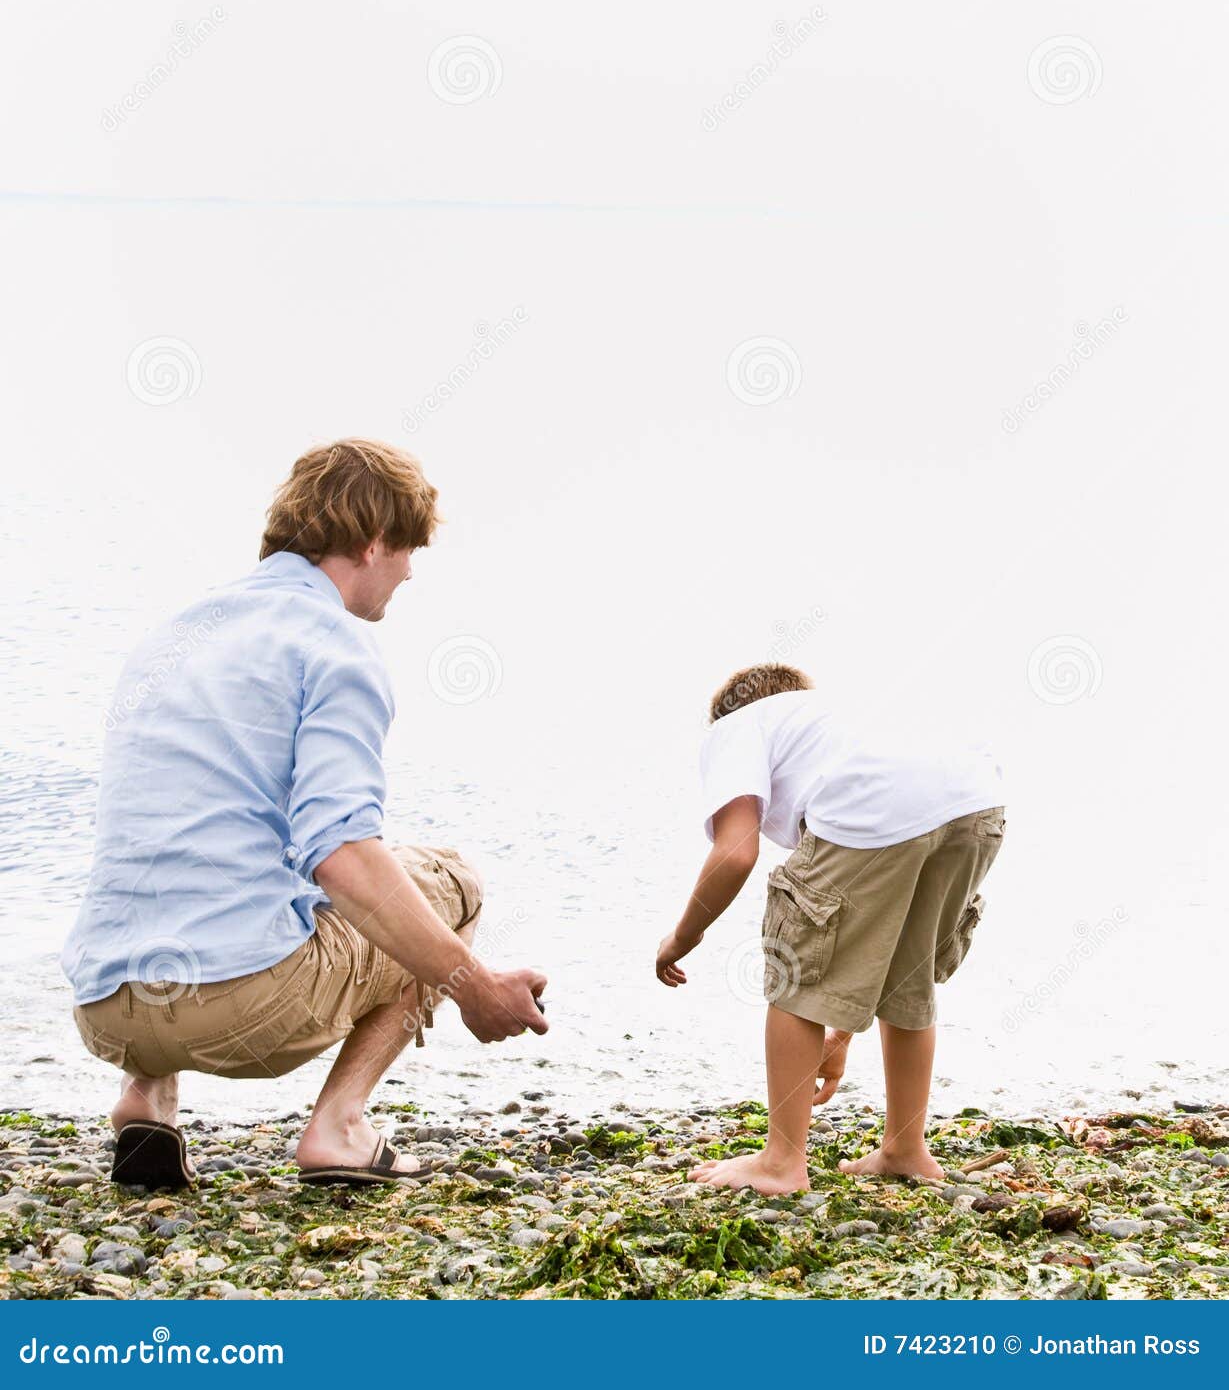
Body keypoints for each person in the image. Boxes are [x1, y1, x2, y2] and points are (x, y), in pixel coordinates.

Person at [62, 439, 547, 1190]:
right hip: (235, 1012)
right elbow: (341, 856)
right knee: (449, 880)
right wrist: (474, 986)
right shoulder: (331, 644)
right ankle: (339, 1127)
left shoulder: (174, 635)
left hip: (102, 1005)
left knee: (193, 863)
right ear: (373, 541)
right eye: (408, 550)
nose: (410, 571)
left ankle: (146, 1099)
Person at [655, 662, 1004, 1194]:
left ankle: (781, 1163)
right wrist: (838, 1030)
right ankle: (905, 1149)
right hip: (978, 800)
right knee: (910, 977)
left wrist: (682, 938)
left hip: (880, 803)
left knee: (795, 974)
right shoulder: (837, 719)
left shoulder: (736, 725)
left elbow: (734, 852)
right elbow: (874, 943)